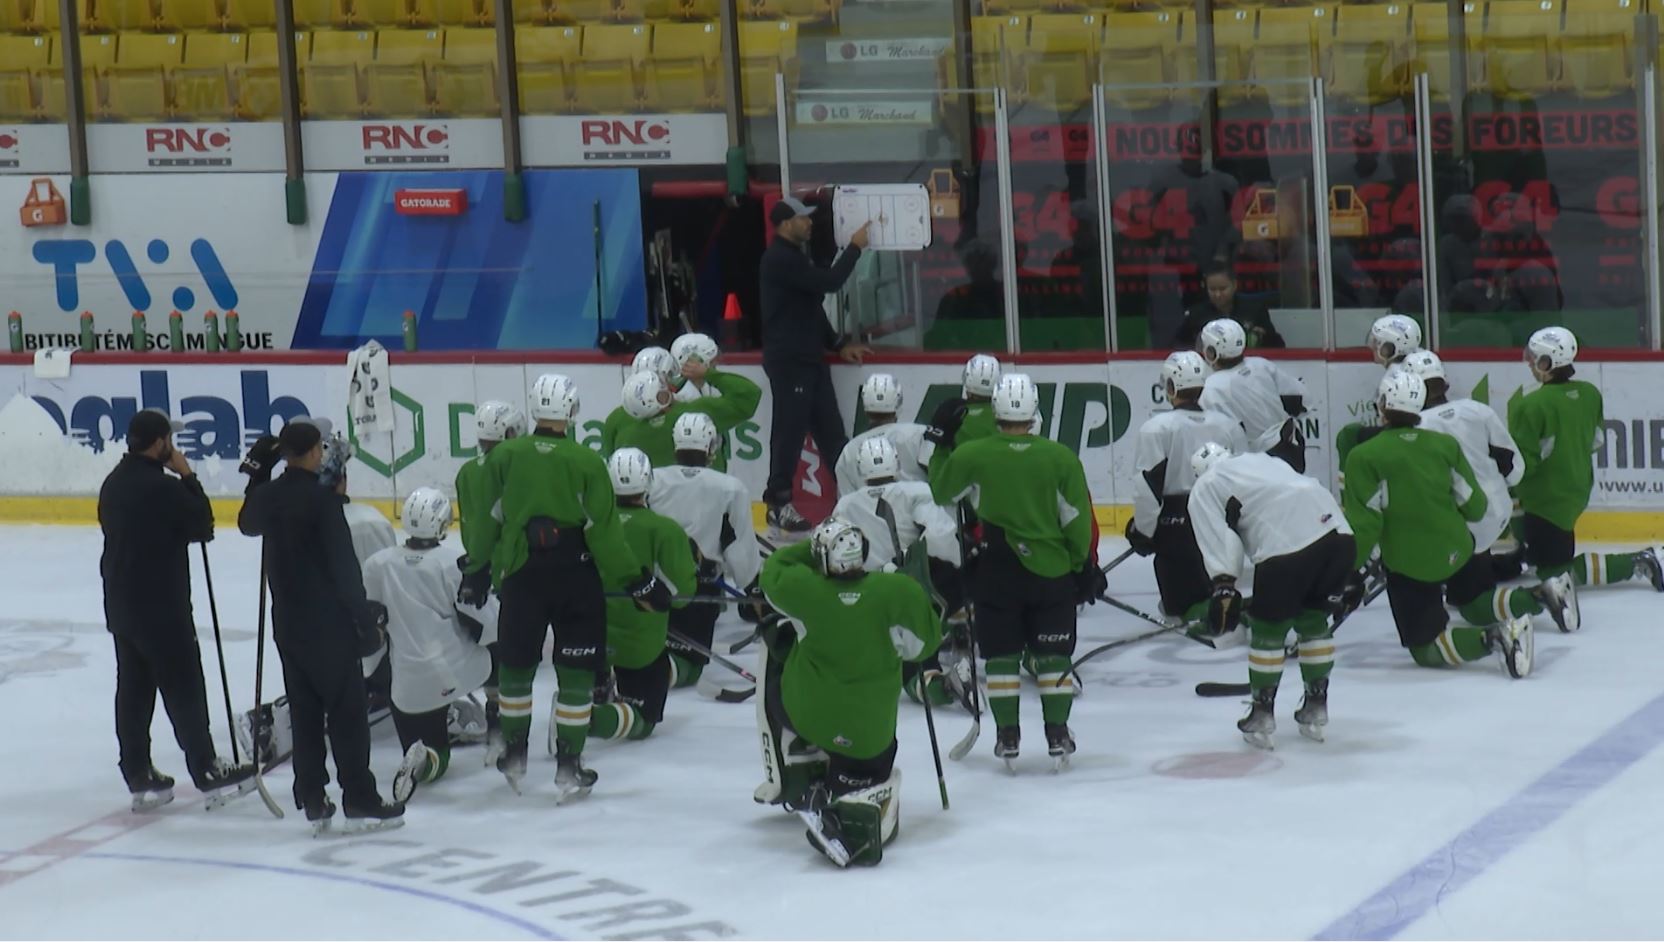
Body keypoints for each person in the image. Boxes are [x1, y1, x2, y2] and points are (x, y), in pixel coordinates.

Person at [458, 373, 668, 801]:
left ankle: (514, 754)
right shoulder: (587, 462)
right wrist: (638, 581)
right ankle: (569, 766)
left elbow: (485, 522)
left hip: (521, 576)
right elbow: (605, 536)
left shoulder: (504, 457)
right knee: (576, 673)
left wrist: (476, 569)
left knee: (517, 668)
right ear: (572, 410)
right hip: (576, 577)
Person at [238, 417, 404, 834]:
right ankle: (359, 796)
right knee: (347, 716)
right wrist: (364, 624)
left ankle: (312, 795)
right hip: (329, 625)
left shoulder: (270, 496)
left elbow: (246, 522)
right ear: (314, 452)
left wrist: (259, 475)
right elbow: (345, 570)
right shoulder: (323, 501)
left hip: (288, 623)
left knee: (306, 711)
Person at [927, 373, 1098, 769]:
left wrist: (940, 443)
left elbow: (941, 492)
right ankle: (1057, 732)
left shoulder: (973, 455)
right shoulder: (1060, 457)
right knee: (1053, 654)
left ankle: (1007, 735)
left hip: (996, 569)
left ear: (996, 411)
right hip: (1051, 572)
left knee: (1001, 655)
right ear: (1034, 410)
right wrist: (1081, 565)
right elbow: (1076, 520)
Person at [1341, 372, 1553, 681]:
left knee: (1425, 648)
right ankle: (1538, 596)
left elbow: (1366, 526)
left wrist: (1345, 571)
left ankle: (1495, 638)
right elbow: (1475, 505)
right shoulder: (1444, 444)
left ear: (1383, 405)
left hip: (1411, 562)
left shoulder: (1363, 456)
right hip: (1459, 547)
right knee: (1474, 605)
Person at [754, 520, 941, 868]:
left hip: (806, 717)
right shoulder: (898, 591)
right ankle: (846, 789)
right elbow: (924, 646)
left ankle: (792, 769)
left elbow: (774, 568)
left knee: (777, 645)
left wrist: (812, 548)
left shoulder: (803, 589)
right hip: (867, 738)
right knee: (866, 756)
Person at [98, 408, 254, 811]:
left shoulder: (113, 483)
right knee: (185, 686)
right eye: (170, 439)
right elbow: (203, 525)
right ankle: (206, 768)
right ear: (160, 443)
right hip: (162, 608)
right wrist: (187, 475)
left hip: (122, 604)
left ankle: (136, 771)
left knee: (133, 691)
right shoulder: (164, 488)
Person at [1188, 443, 1354, 749]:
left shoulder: (1206, 484)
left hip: (1286, 545)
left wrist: (1224, 585)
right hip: (1340, 535)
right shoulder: (1263, 460)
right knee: (1313, 620)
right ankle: (1316, 705)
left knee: (1268, 629)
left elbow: (1219, 537)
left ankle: (1262, 714)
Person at [1508, 327, 1662, 617]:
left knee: (1554, 575)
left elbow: (1521, 466)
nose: (1529, 362)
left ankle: (1636, 561)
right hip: (1577, 488)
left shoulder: (1530, 406)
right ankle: (1526, 552)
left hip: (1545, 500)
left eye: (1533, 357)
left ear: (1546, 363)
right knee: (1542, 558)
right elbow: (1595, 441)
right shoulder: (1589, 394)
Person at [362, 488, 498, 804]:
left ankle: (423, 759)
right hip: (454, 671)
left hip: (406, 686)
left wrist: (372, 672)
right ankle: (498, 722)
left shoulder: (377, 564)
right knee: (498, 650)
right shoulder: (454, 564)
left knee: (430, 749)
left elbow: (372, 622)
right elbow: (489, 624)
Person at [760, 196, 872, 535]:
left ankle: (855, 500)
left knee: (832, 433)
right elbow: (830, 282)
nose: (809, 223)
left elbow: (812, 308)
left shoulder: (795, 257)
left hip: (811, 360)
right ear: (785, 224)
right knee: (789, 432)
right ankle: (777, 504)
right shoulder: (780, 259)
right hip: (790, 362)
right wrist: (855, 248)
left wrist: (837, 345)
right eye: (802, 218)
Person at [834, 435, 967, 709]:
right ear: (895, 463)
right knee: (961, 576)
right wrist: (958, 562)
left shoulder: (845, 505)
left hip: (867, 598)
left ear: (861, 468)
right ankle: (949, 634)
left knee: (904, 660)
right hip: (910, 593)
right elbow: (941, 536)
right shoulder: (916, 491)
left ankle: (926, 669)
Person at [1127, 351, 1248, 635]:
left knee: (1178, 608)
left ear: (1170, 387)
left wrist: (1143, 530)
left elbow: (1147, 488)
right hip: (1220, 514)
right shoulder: (1229, 425)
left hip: (1176, 521)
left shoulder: (1157, 428)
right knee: (1213, 580)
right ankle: (1232, 608)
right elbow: (1243, 476)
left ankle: (1226, 618)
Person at [647, 412, 763, 688]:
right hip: (698, 590)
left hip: (652, 587)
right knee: (690, 666)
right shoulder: (729, 487)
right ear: (711, 447)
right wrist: (753, 591)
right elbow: (739, 549)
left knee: (648, 645)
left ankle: (629, 668)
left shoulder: (653, 480)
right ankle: (648, 677)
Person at [594, 448, 697, 741]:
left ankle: (590, 694)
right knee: (643, 721)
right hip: (640, 646)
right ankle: (584, 722)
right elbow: (683, 595)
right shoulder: (665, 530)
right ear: (648, 481)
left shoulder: (591, 524)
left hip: (588, 636)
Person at [1400, 351, 1529, 583]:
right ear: (1445, 382)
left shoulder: (1416, 430)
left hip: (1462, 525)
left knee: (1457, 588)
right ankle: (1506, 565)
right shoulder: (1478, 410)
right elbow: (1515, 468)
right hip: (1499, 510)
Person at [602, 360, 760, 471]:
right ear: (662, 397)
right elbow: (748, 395)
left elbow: (612, 464)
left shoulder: (616, 419)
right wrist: (708, 373)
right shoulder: (695, 414)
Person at [1196, 318, 1309, 472]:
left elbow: (1220, 436)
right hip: (1290, 443)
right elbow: (1302, 400)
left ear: (1211, 352)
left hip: (1259, 462)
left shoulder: (1212, 387)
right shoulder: (1260, 364)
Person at [1336, 314, 1424, 474]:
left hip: (1399, 435)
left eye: (1378, 342)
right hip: (1412, 431)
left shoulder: (1395, 374)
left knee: (1349, 435)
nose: (1373, 346)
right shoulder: (1417, 362)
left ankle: (1347, 484)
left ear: (1392, 347)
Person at [834, 373, 930, 497]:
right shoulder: (919, 434)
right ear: (898, 402)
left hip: (867, 509)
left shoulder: (849, 451)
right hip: (919, 508)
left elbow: (846, 500)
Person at [455, 399, 523, 557]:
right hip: (507, 560)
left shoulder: (466, 471)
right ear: (508, 433)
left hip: (476, 558)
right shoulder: (515, 467)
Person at [1173, 263, 1285, 351]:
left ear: (1234, 285)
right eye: (1212, 289)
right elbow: (1178, 345)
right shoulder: (1196, 314)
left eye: (1222, 289)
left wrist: (1264, 337)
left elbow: (1279, 346)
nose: (1217, 294)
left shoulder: (1254, 309)